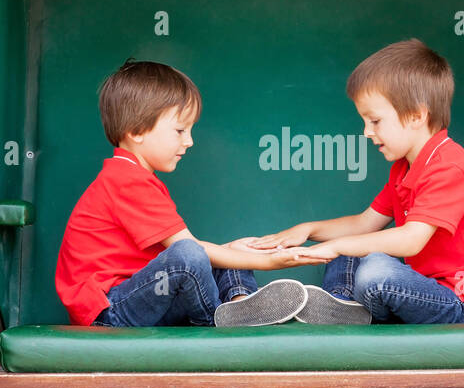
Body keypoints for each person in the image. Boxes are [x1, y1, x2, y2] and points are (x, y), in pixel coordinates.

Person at [248, 39, 464, 325]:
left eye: (375, 121)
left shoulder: (450, 166)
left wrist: (337, 247)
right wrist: (308, 230)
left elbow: (411, 240)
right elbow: (364, 224)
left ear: (416, 115)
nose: (366, 132)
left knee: (374, 268)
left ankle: (346, 305)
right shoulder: (404, 168)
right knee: (351, 246)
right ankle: (339, 305)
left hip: (462, 307)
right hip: (424, 291)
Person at [55, 59, 308, 329]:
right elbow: (187, 251)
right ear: (136, 131)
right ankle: (216, 321)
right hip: (112, 310)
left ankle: (240, 303)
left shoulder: (137, 176)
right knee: (190, 254)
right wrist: (268, 261)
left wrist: (233, 251)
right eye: (180, 130)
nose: (189, 141)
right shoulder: (125, 180)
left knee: (228, 253)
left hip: (148, 299)